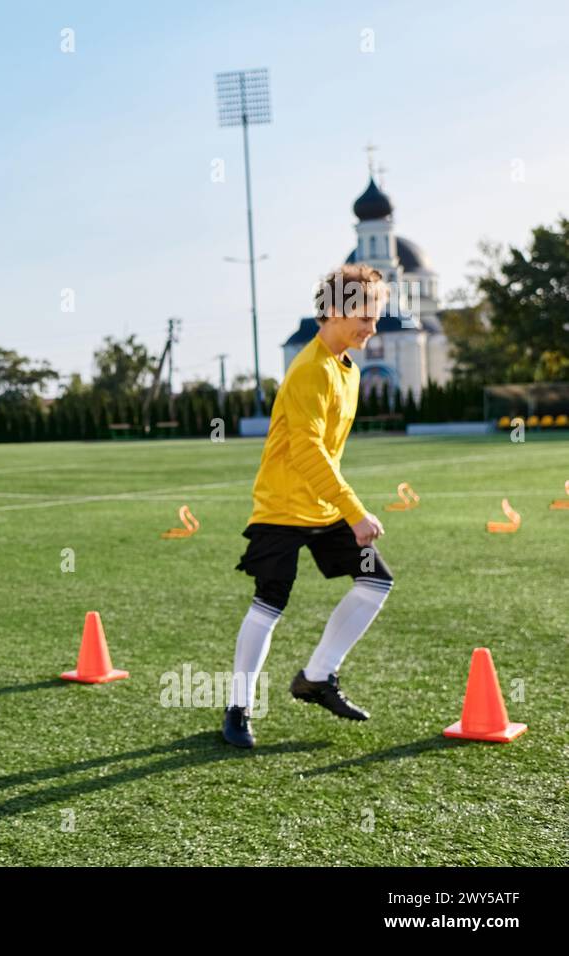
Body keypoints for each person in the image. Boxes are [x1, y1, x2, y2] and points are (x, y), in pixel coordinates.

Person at [223, 264, 394, 749]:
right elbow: (308, 451)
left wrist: (340, 507)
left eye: (377, 316)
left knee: (375, 581)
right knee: (270, 601)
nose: (372, 327)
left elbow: (328, 455)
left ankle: (317, 678)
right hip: (279, 509)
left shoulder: (348, 369)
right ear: (336, 311)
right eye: (366, 316)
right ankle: (237, 707)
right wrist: (355, 509)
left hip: (322, 507)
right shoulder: (309, 370)